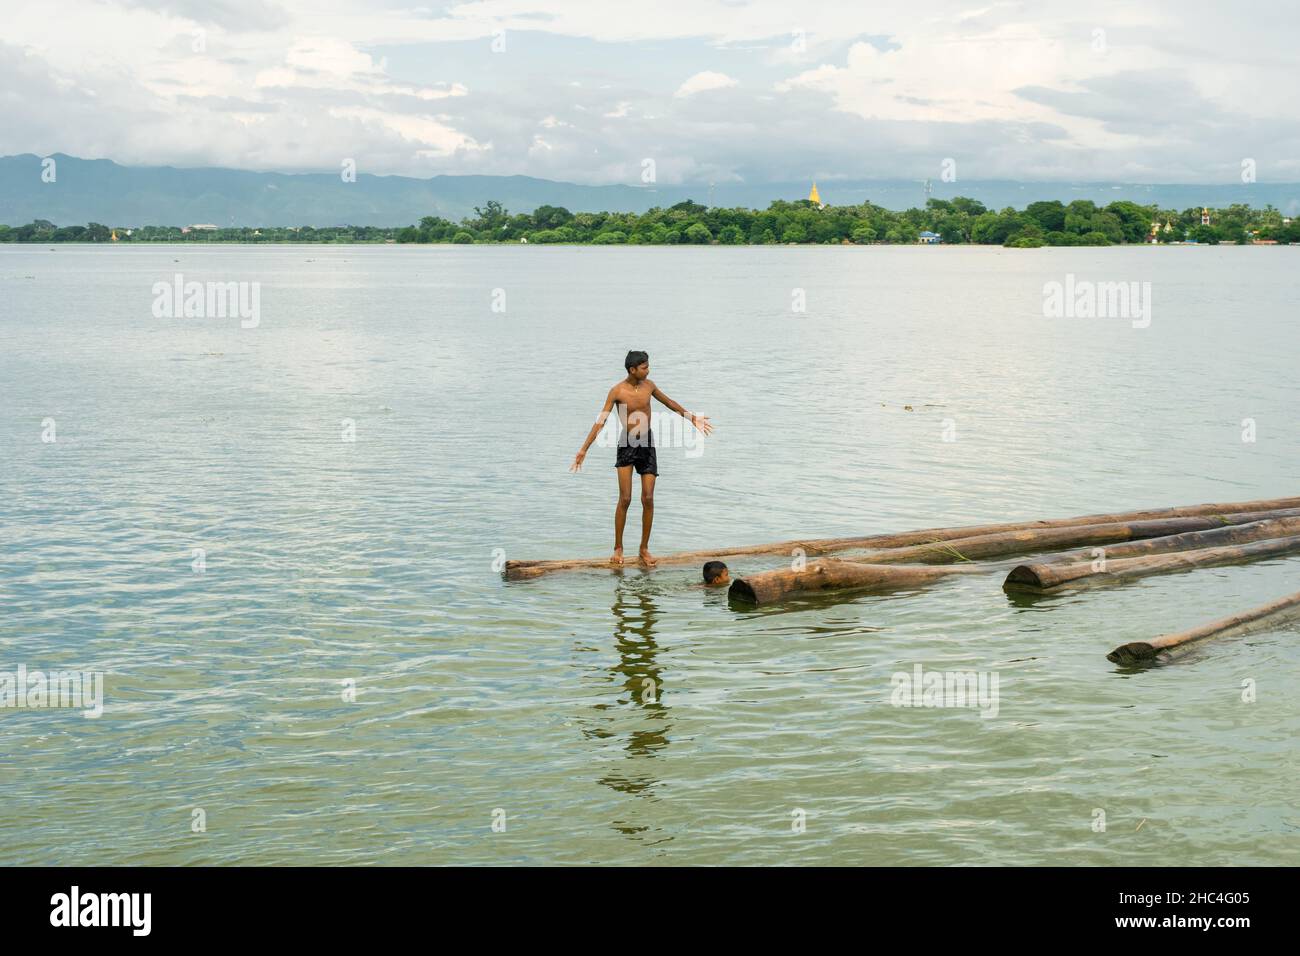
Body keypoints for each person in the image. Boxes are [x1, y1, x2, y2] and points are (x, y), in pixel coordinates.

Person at [571, 350, 713, 567]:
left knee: (647, 498)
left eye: (648, 366)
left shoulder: (649, 386)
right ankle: (618, 547)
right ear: (632, 369)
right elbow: (601, 421)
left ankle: (643, 548)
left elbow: (669, 402)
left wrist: (691, 417)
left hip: (647, 444)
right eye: (644, 367)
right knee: (625, 499)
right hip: (627, 444)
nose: (648, 370)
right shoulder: (617, 391)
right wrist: (583, 450)